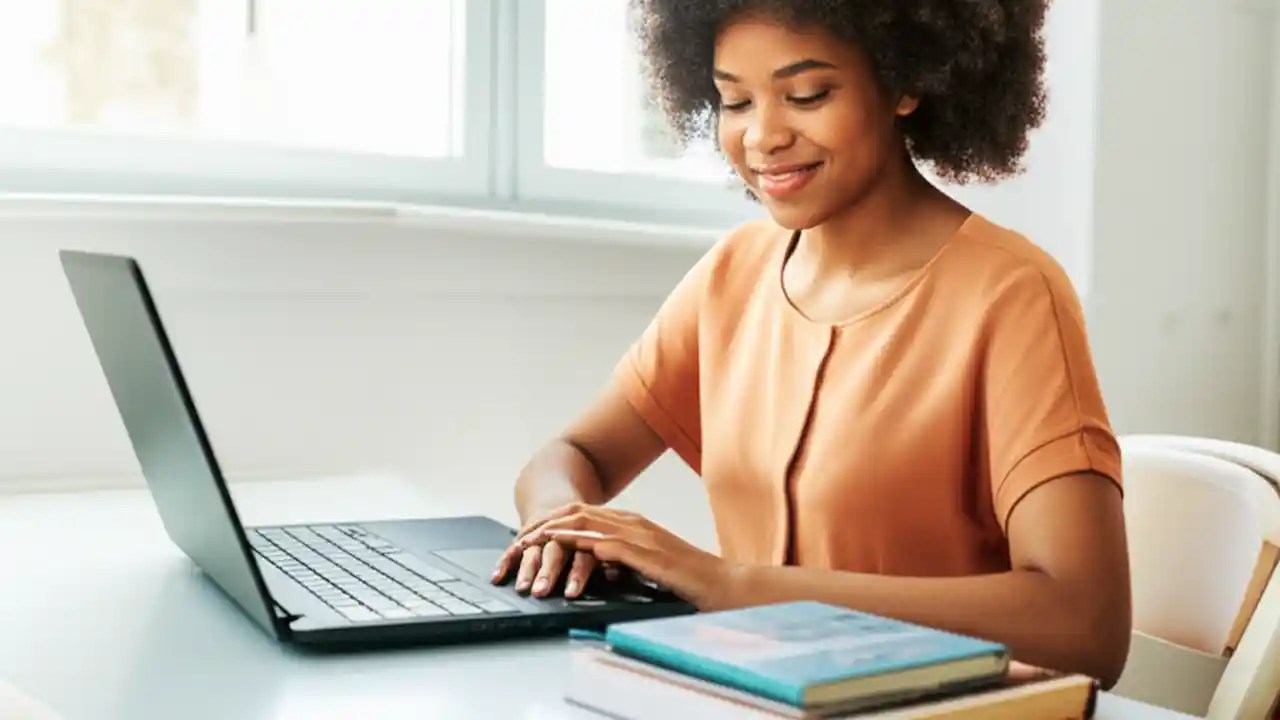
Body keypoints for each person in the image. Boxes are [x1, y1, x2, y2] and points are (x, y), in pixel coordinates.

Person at [491, 0, 1131, 687]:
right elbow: (573, 454)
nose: (763, 136)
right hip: (750, 697)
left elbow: (1085, 625)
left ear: (906, 82)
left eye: (807, 94)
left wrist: (732, 585)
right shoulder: (733, 274)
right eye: (734, 100)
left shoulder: (1011, 294)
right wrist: (568, 529)